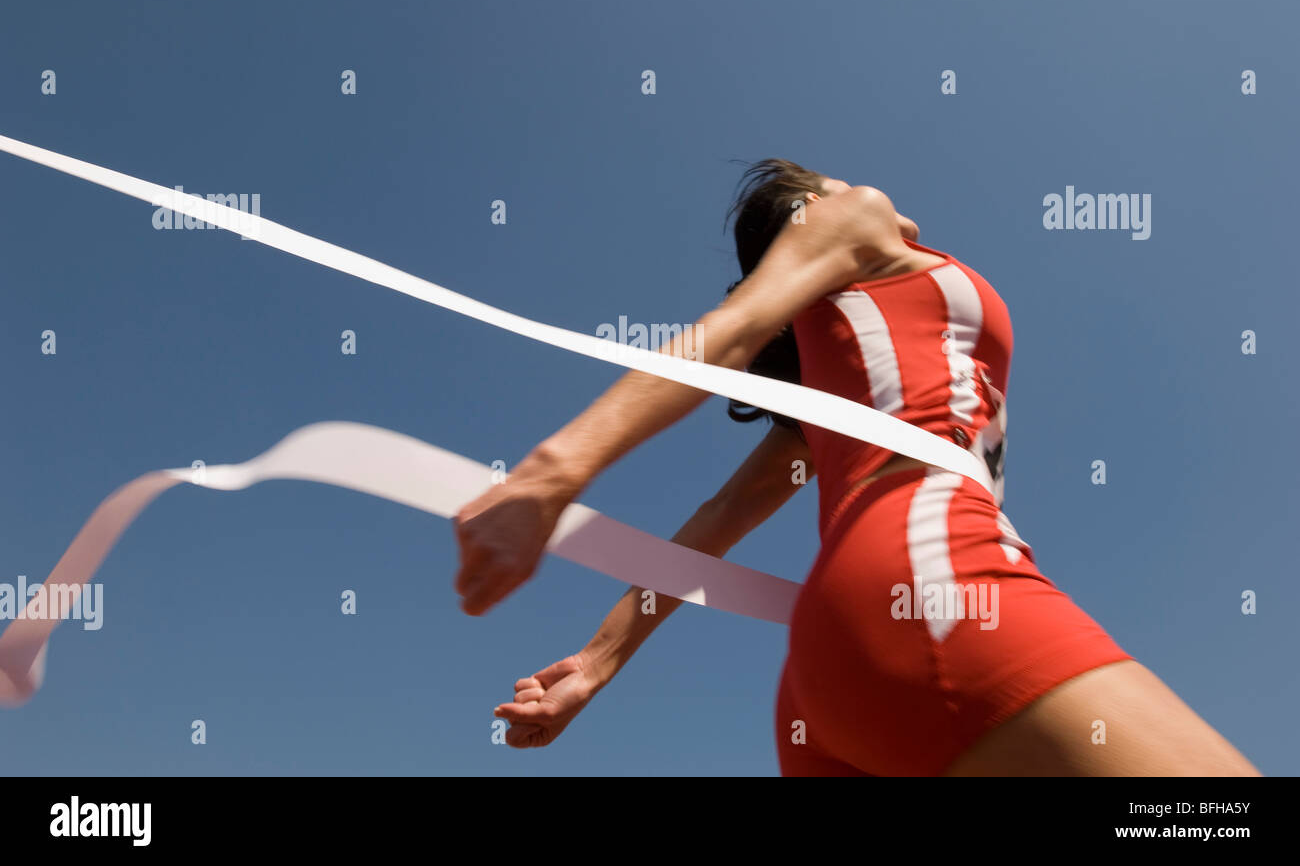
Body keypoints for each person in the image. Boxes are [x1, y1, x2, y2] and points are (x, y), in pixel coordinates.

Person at [454, 159, 1260, 776]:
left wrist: (594, 664)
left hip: (824, 678)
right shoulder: (858, 217)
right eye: (827, 183)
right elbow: (730, 330)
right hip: (938, 581)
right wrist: (552, 472)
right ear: (812, 209)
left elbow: (714, 524)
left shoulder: (828, 409)